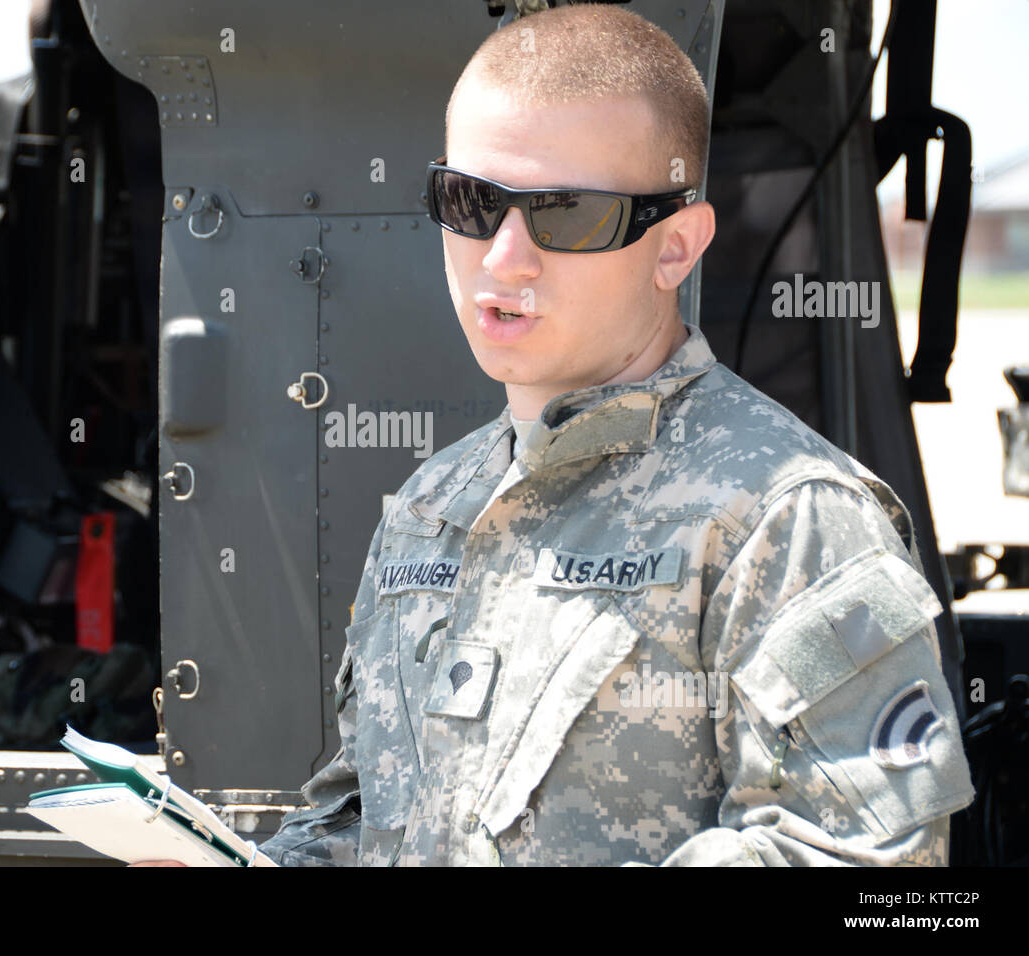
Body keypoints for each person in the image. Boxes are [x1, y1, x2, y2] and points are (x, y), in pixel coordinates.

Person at [146, 3, 976, 867]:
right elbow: (366, 819)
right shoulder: (433, 506)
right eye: (470, 203)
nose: (503, 259)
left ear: (676, 248)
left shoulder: (789, 518)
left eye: (567, 215)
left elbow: (874, 872)